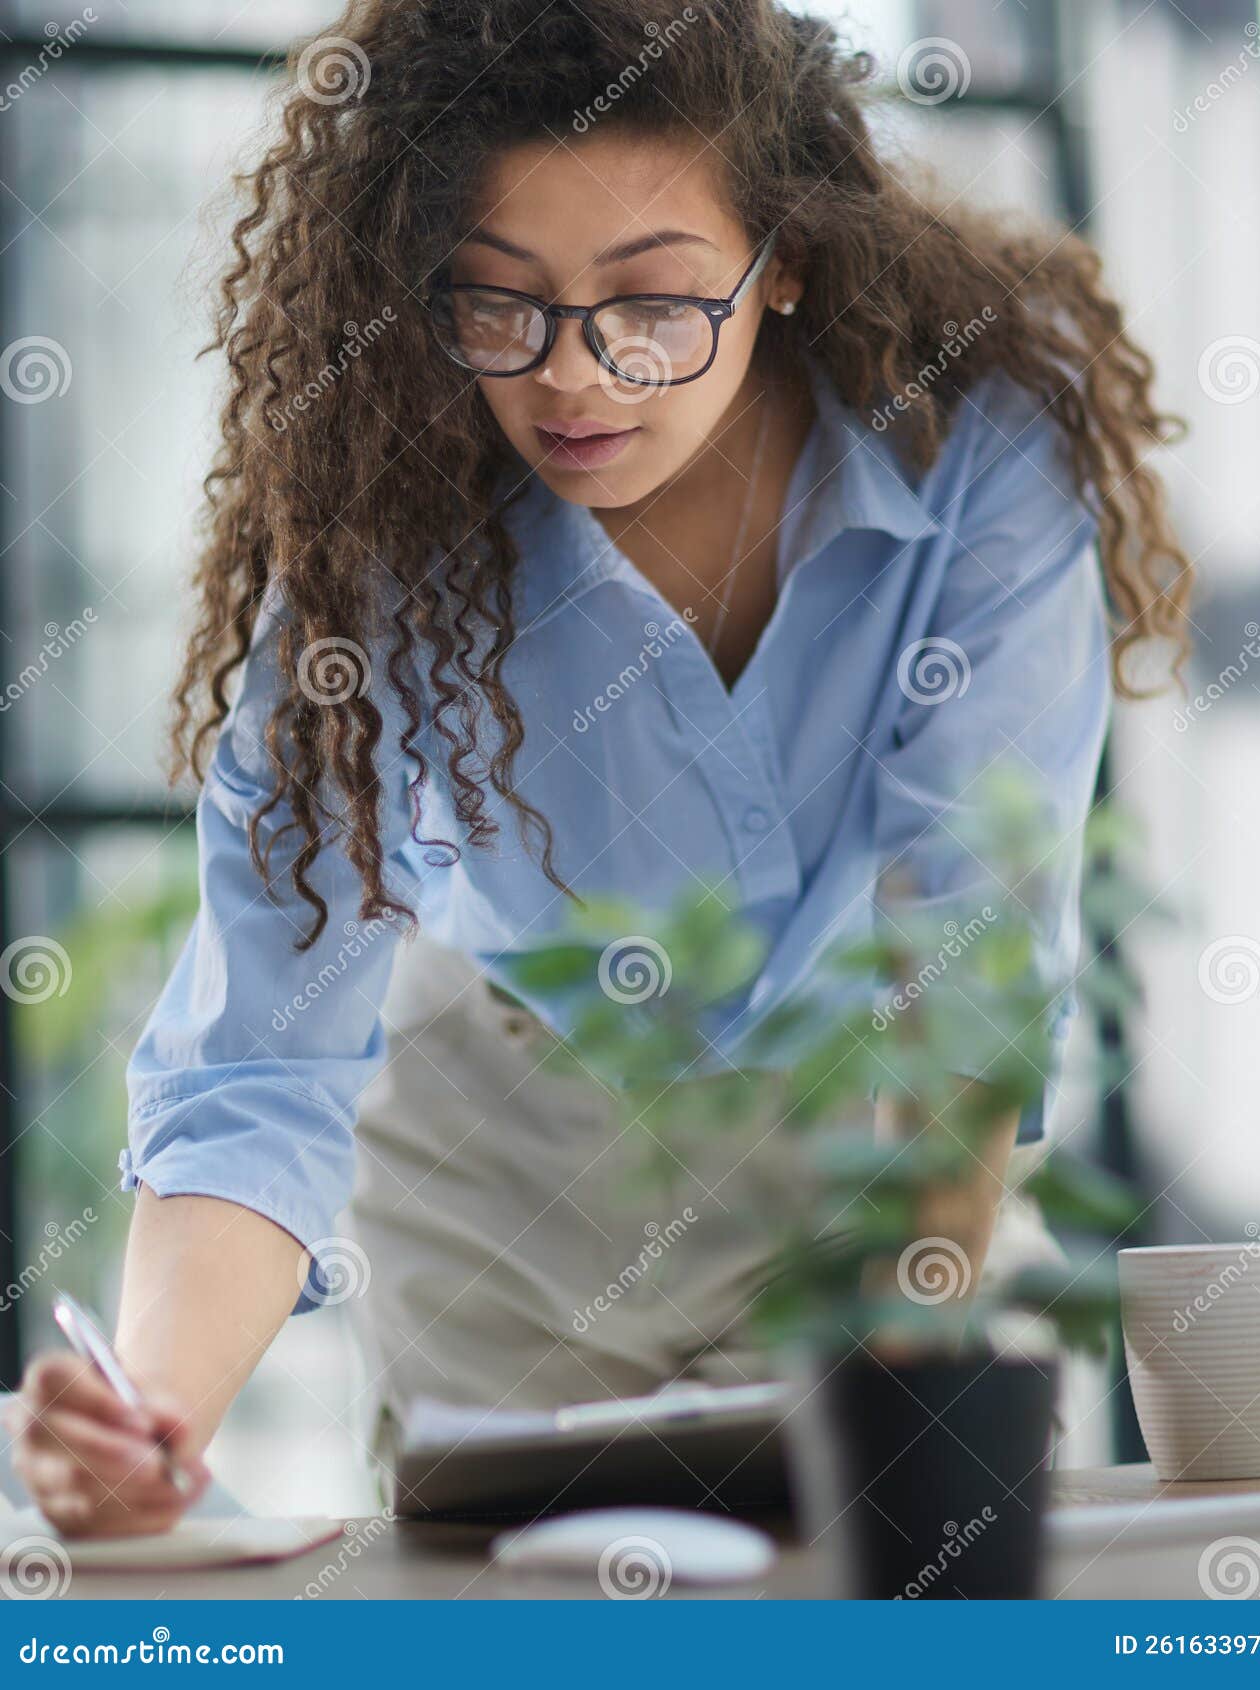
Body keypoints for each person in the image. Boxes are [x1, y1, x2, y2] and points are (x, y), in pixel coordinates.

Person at [10, 0, 1190, 1536]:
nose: (572, 378)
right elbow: (260, 1062)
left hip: (877, 1155)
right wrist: (145, 1424)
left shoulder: (977, 439)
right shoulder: (376, 538)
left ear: (789, 268)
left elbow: (960, 954)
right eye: (497, 303)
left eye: (650, 305)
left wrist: (895, 1362)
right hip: (508, 1185)